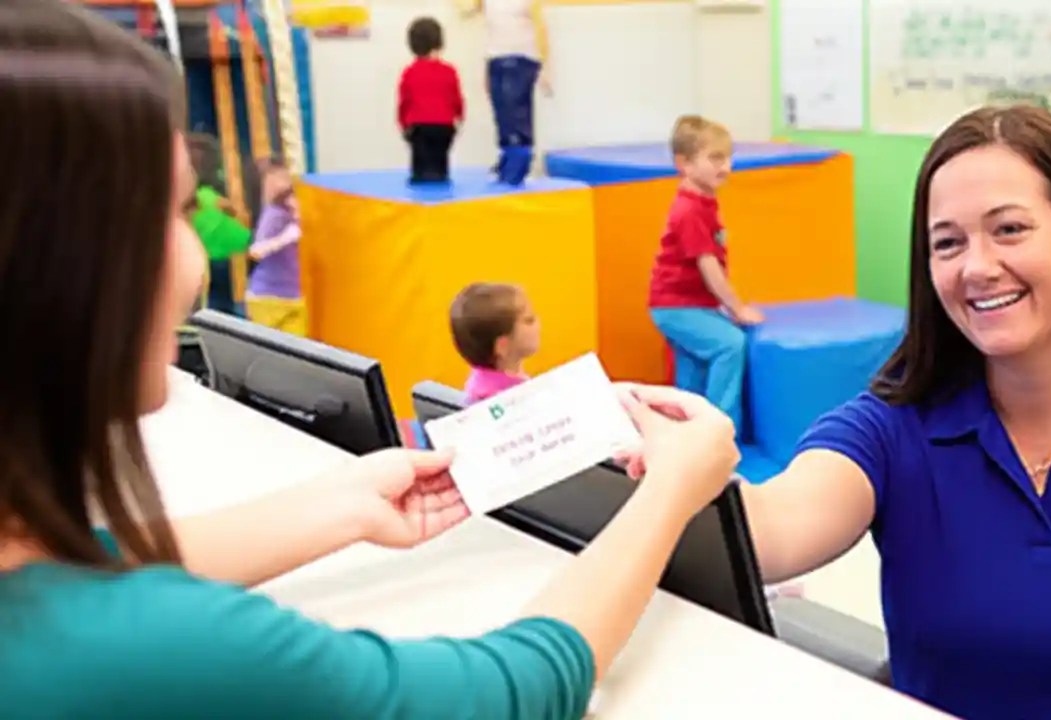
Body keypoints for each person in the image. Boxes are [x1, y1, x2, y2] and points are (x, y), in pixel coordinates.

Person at [0, 3, 740, 718]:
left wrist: (340, 504)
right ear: (58, 263)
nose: (197, 261)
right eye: (176, 213)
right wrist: (670, 494)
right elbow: (501, 691)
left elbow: (88, 569)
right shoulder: (152, 646)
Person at [671, 105, 1051, 719]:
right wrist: (673, 473)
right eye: (948, 243)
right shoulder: (891, 428)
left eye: (1010, 229)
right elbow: (772, 530)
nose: (977, 267)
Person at [648, 115, 764, 432]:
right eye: (715, 158)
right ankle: (719, 430)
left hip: (684, 304)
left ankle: (684, 432)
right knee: (730, 345)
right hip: (676, 305)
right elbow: (708, 266)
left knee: (694, 369)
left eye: (728, 158)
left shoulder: (703, 201)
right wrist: (736, 309)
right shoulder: (689, 209)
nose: (725, 166)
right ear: (683, 163)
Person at [462, 0, 551, 185]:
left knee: (515, 114)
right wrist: (487, 67)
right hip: (496, 58)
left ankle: (519, 164)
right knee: (501, 115)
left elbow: (540, 26)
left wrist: (544, 64)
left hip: (521, 58)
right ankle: (508, 158)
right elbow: (479, 21)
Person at [185, 132, 251, 316]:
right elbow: (231, 210)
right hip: (226, 253)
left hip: (213, 253)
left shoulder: (198, 198)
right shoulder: (209, 196)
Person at [398, 17, 464, 184]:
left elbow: (405, 101)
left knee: (420, 166)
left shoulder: (410, 72)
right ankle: (441, 185)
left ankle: (420, 192)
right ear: (440, 41)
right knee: (440, 162)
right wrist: (459, 116)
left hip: (418, 127)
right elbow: (456, 98)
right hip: (444, 126)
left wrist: (403, 124)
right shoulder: (449, 71)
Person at [450, 282, 539, 404]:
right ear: (503, 346)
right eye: (529, 320)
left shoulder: (481, 381)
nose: (538, 323)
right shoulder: (509, 400)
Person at [246, 158, 306, 336]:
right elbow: (256, 251)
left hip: (292, 296)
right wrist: (285, 238)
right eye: (272, 179)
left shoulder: (292, 213)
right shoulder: (274, 215)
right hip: (270, 297)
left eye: (282, 176)